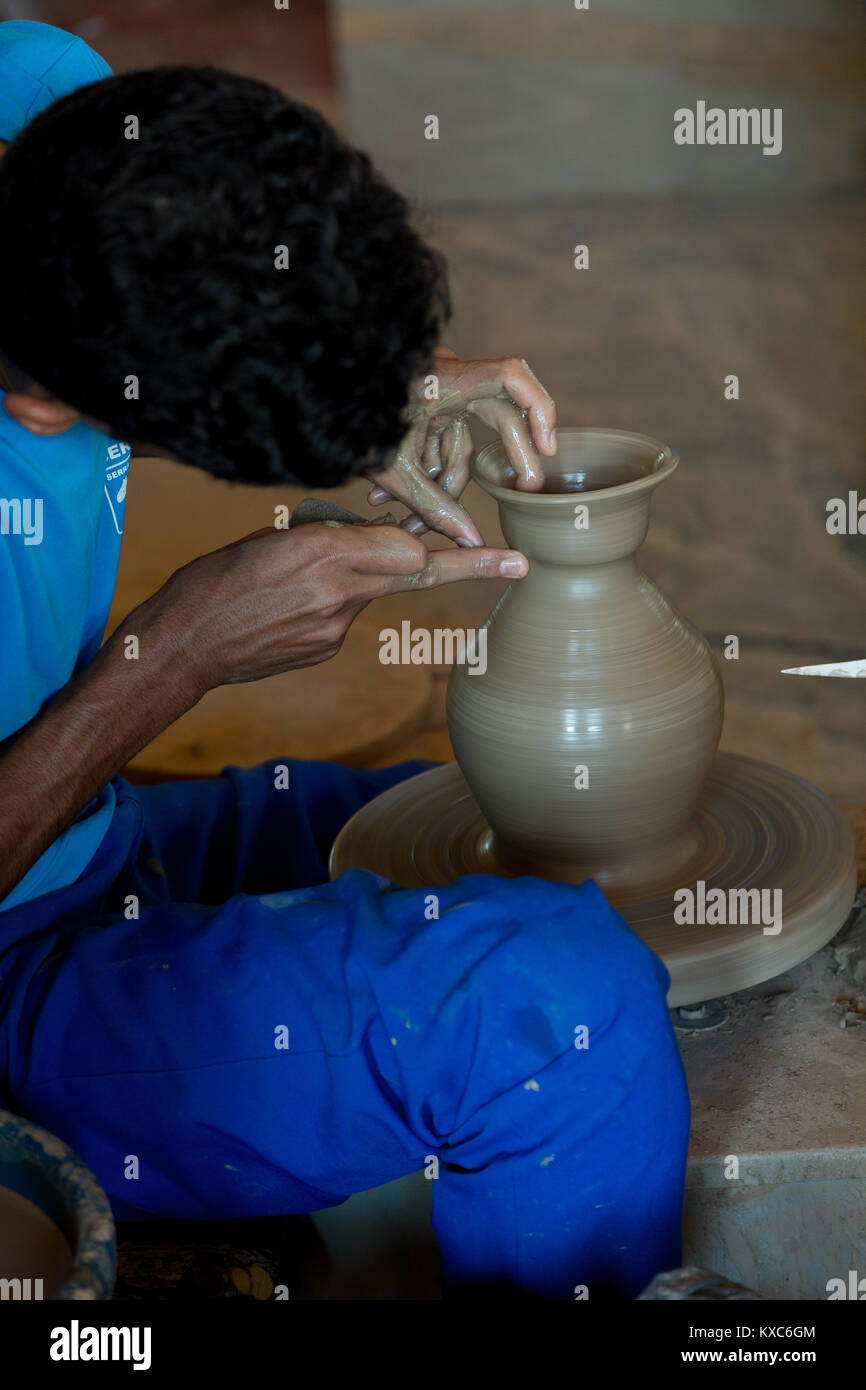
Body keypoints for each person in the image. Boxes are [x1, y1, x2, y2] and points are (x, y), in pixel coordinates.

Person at [0, 21, 689, 1299]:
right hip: (11, 962)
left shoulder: (52, 117)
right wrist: (175, 652)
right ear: (82, 403)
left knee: (480, 826)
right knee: (554, 1007)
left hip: (83, 832)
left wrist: (381, 384)